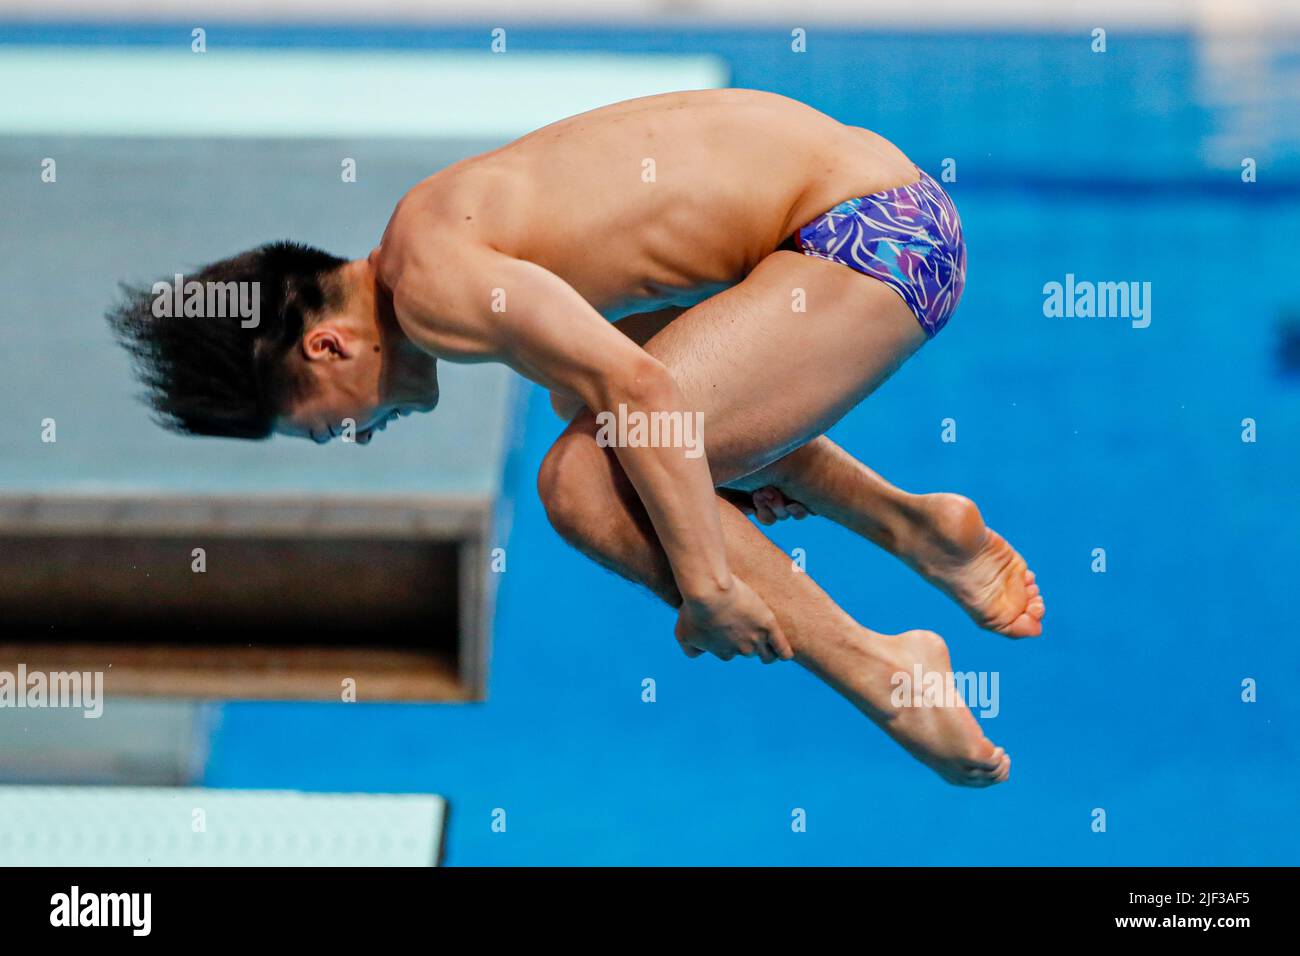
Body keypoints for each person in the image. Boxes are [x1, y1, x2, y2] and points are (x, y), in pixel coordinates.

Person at [108, 89, 1044, 786]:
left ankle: (887, 670)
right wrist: (710, 478)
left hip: (870, 243)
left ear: (326, 347)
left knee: (584, 484)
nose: (351, 439)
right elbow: (638, 371)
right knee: (612, 434)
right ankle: (916, 526)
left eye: (319, 430)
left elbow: (640, 389)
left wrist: (711, 585)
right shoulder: (431, 240)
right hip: (881, 224)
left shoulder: (435, 293)